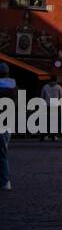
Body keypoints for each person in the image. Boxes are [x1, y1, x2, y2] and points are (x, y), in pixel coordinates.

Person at [0, 62, 16, 191]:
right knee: (3, 152)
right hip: (8, 124)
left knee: (2, 154)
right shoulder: (13, 87)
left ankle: (5, 180)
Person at [40, 76, 62, 141]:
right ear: (56, 80)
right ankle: (53, 136)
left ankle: (43, 135)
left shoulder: (45, 86)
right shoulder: (59, 87)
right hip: (55, 105)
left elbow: (42, 96)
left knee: (45, 121)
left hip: (47, 105)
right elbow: (61, 97)